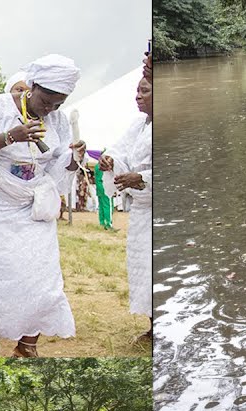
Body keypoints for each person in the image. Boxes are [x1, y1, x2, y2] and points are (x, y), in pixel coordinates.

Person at [0, 54, 87, 357]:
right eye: (47, 100)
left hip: (30, 204)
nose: (50, 109)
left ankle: (27, 346)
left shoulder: (56, 119)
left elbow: (57, 165)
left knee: (40, 276)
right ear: (32, 87)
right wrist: (8, 137)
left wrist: (74, 158)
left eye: (58, 103)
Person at [99, 74, 152, 344]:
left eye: (145, 91)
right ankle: (153, 325)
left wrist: (143, 178)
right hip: (142, 212)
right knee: (142, 266)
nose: (138, 96)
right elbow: (120, 151)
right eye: (137, 91)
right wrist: (111, 160)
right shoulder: (138, 125)